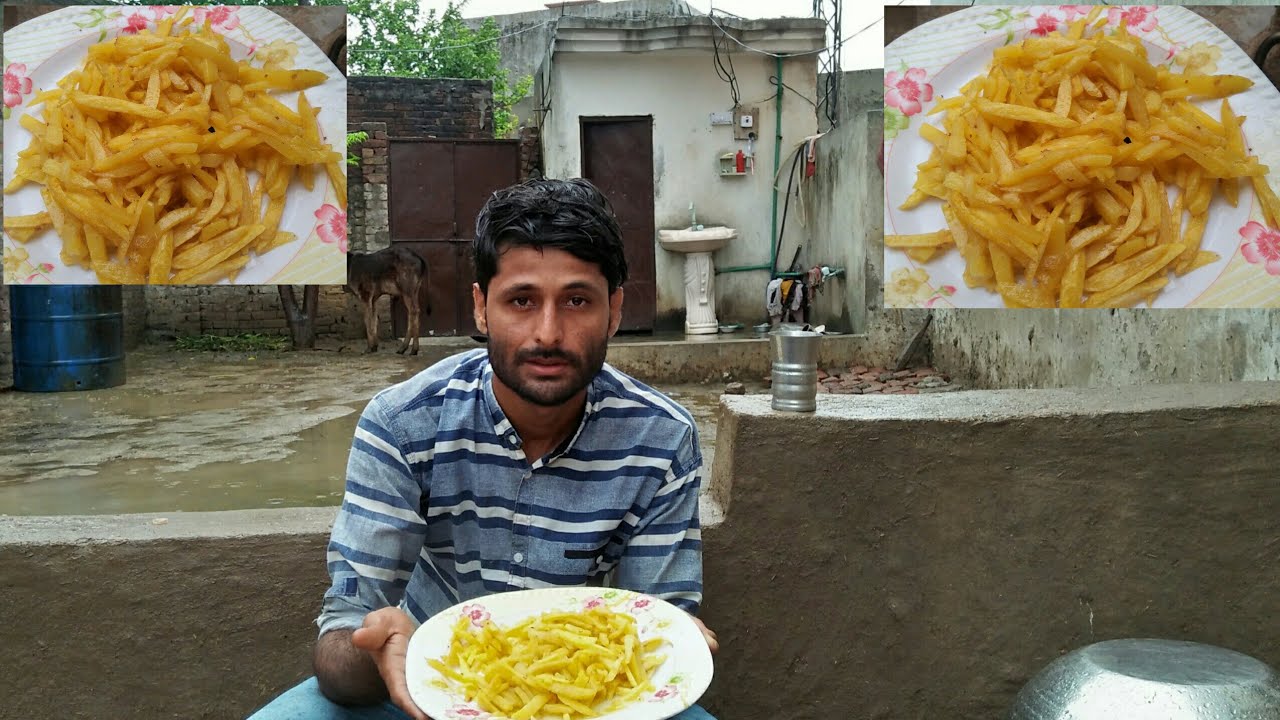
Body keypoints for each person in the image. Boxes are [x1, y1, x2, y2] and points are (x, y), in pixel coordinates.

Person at [248, 178, 719, 720]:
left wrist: (674, 638)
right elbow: (343, 630)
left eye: (577, 301)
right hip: (422, 682)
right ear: (481, 308)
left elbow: (656, 633)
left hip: (586, 700)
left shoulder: (662, 439)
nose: (548, 334)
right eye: (521, 300)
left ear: (613, 311)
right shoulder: (403, 423)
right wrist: (375, 652)